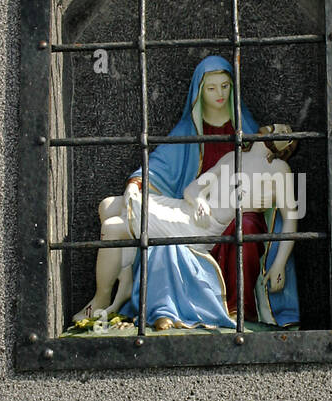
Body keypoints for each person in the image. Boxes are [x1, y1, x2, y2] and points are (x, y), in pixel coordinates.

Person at [72, 55, 300, 330]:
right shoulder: (205, 139)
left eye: (225, 86)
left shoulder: (261, 151)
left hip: (213, 226)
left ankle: (103, 299)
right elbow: (160, 167)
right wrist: (137, 185)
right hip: (191, 207)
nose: (219, 94)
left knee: (115, 223)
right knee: (108, 205)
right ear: (199, 90)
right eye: (211, 87)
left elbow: (289, 214)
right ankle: (117, 289)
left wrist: (278, 263)